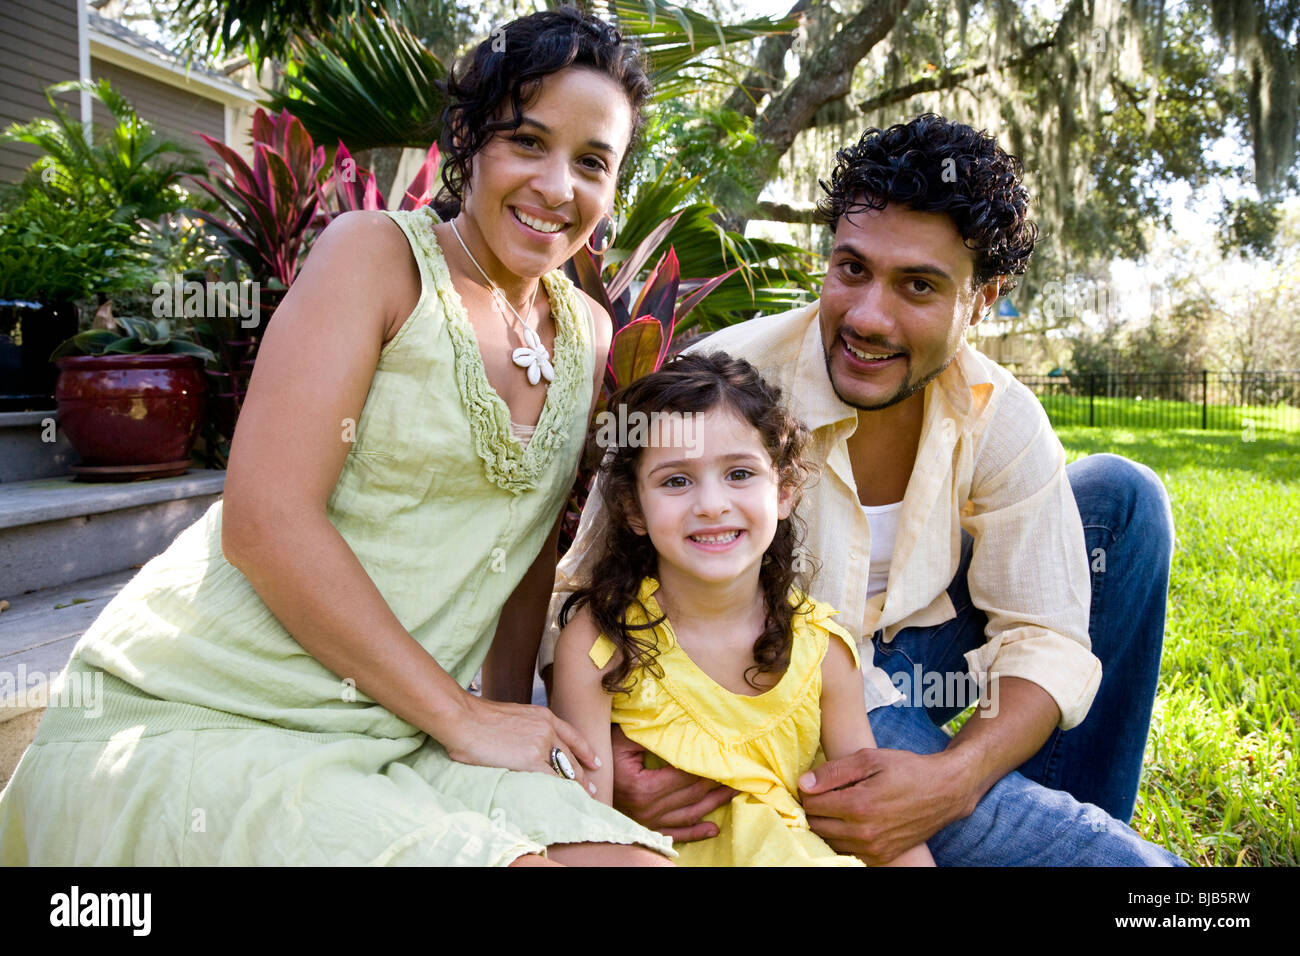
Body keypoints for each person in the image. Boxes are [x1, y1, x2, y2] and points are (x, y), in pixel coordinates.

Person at [0, 8, 673, 867]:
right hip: (212, 709)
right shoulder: (376, 258)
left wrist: (509, 722)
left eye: (591, 162)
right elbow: (265, 520)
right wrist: (462, 716)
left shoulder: (586, 328)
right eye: (527, 143)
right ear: (467, 141)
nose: (555, 186)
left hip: (403, 725)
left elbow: (525, 546)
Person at [541, 114, 1185, 866]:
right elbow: (580, 597)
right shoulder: (728, 383)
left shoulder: (999, 414)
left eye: (918, 285)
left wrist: (956, 778)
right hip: (793, 682)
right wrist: (616, 751)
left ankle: (1069, 826)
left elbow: (1045, 637)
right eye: (852, 269)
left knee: (1121, 496)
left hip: (915, 656)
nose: (868, 318)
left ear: (982, 300)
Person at [551, 353, 934, 866]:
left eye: (738, 473)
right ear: (633, 509)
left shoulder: (820, 650)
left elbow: (880, 820)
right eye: (676, 481)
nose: (711, 503)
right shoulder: (603, 644)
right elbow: (582, 830)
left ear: (785, 491)